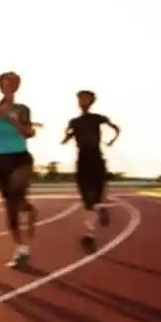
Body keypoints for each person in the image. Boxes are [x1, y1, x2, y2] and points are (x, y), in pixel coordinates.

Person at [0, 72, 39, 268]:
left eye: (12, 85)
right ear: (0, 87)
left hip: (20, 158)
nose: (8, 88)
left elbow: (28, 134)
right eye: (5, 84)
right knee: (12, 207)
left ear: (17, 87)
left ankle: (23, 249)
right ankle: (21, 244)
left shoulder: (22, 109)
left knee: (14, 192)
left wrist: (12, 119)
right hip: (1, 160)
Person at [61, 90, 120, 251]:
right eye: (79, 98)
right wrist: (68, 136)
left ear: (91, 101)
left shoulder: (97, 118)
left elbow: (116, 128)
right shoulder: (74, 121)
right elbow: (65, 137)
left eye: (85, 98)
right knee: (86, 198)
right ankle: (91, 231)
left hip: (95, 155)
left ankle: (92, 227)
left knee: (98, 190)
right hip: (82, 158)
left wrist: (112, 141)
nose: (82, 101)